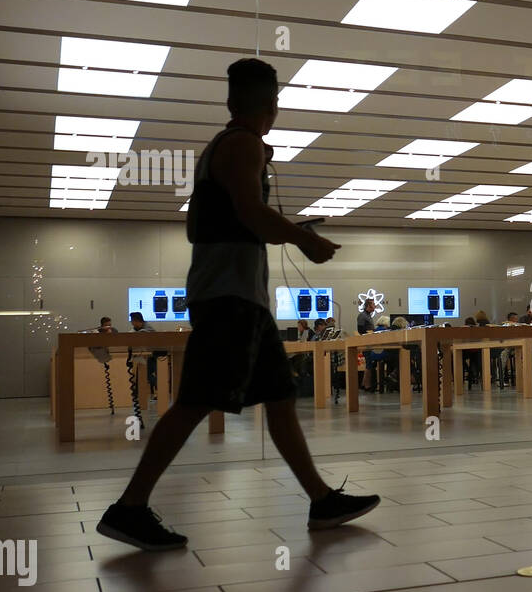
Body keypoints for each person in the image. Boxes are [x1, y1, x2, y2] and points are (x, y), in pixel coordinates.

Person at [96, 57, 379, 551]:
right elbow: (251, 212)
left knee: (280, 398)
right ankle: (129, 508)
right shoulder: (242, 145)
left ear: (231, 101)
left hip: (238, 301)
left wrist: (283, 228)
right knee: (195, 403)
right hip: (230, 301)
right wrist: (302, 240)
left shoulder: (221, 150)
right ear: (273, 104)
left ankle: (320, 499)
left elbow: (215, 222)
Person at [129, 311, 161, 398]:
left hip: (155, 355)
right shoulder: (136, 329)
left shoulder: (147, 328)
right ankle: (158, 387)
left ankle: (161, 388)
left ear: (136, 320)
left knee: (158, 373)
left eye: (132, 320)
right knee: (146, 375)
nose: (131, 323)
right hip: (147, 355)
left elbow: (152, 336)